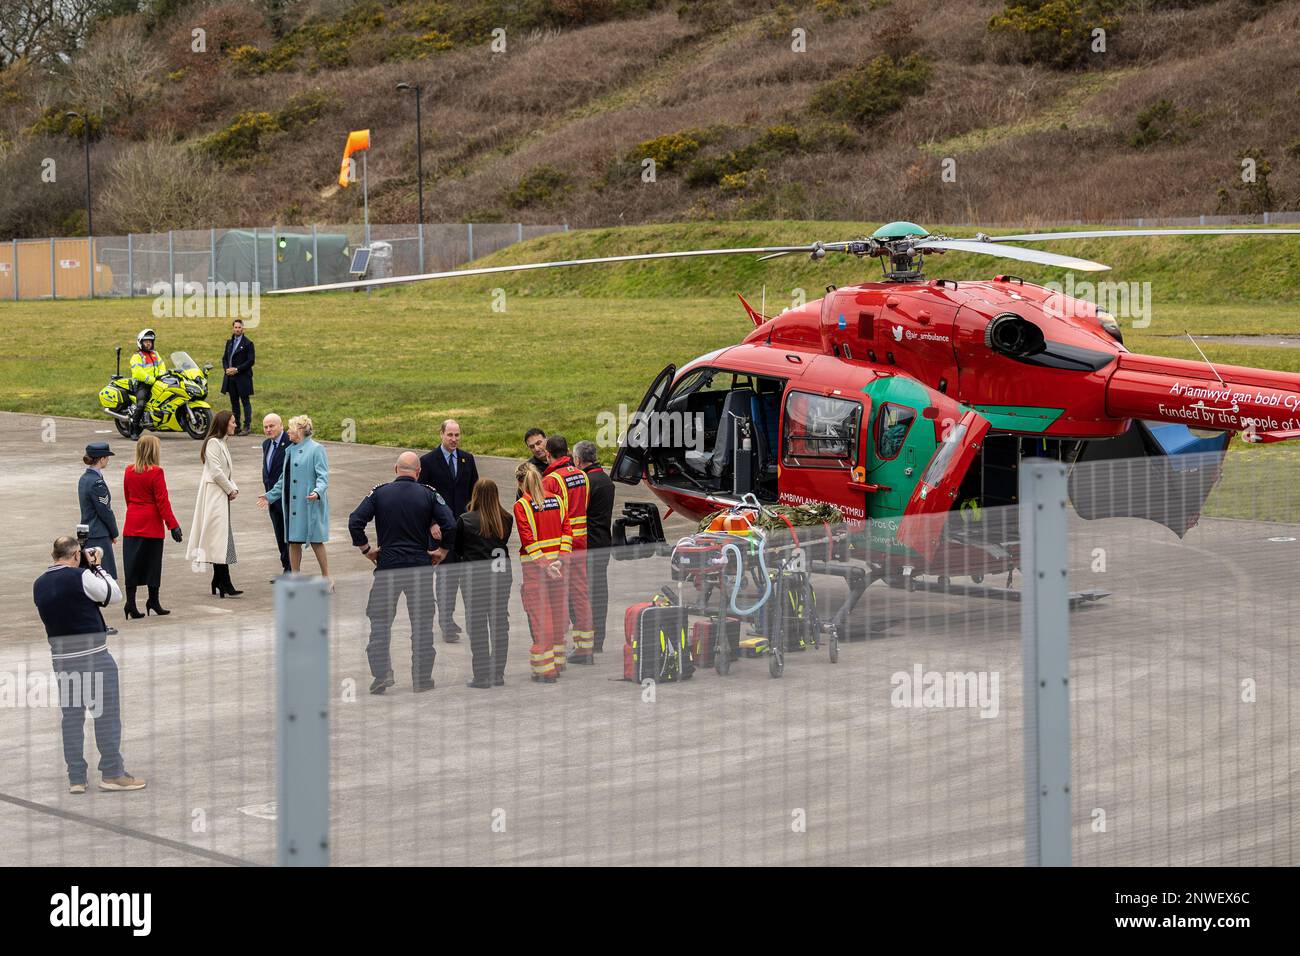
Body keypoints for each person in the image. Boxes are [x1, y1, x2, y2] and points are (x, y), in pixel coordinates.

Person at [33, 534, 146, 794]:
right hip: (94, 655)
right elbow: (113, 595)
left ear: (53, 556)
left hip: (61, 658)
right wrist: (96, 566)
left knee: (71, 718)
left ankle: (76, 778)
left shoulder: (38, 584)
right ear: (76, 556)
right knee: (106, 715)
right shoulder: (81, 576)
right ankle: (112, 772)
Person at [348, 452, 455, 695]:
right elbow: (449, 524)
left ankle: (381, 674)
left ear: (395, 468)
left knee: (380, 624)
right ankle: (421, 678)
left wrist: (367, 550)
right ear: (418, 472)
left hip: (388, 566)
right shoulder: (429, 494)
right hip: (419, 565)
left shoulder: (380, 493)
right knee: (422, 624)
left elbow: (355, 521)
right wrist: (442, 551)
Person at [419, 419, 479, 644]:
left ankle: (470, 621)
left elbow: (475, 491)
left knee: (467, 576)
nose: (454, 439)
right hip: (441, 531)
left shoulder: (467, 459)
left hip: (465, 529)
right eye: (450, 435)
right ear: (441, 434)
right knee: (447, 578)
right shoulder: (428, 462)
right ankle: (447, 622)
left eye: (457, 435)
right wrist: (431, 522)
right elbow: (422, 496)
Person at [514, 461, 570, 684]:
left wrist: (546, 565)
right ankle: (558, 660)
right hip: (559, 567)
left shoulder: (522, 505)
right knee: (558, 614)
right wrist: (560, 561)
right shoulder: (557, 500)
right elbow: (567, 531)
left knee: (541, 616)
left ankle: (545, 669)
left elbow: (529, 541)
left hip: (535, 569)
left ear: (520, 482)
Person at [259, 414, 331, 586]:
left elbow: (323, 477)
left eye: (290, 429)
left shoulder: (316, 449)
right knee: (293, 541)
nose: (288, 433)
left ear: (299, 431)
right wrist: (270, 496)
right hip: (292, 505)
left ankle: (327, 577)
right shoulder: (290, 450)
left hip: (309, 502)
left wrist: (317, 491)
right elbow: (283, 479)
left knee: (315, 540)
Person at [455, 477, 513, 689]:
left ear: (475, 495)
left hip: (475, 578)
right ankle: (498, 673)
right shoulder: (506, 518)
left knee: (477, 626)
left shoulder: (466, 520)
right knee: (499, 624)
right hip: (500, 575)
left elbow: (458, 549)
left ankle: (481, 675)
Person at [542, 435, 593, 666]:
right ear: (569, 454)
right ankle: (585, 648)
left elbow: (547, 513)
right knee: (581, 594)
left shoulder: (551, 480)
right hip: (582, 543)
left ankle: (557, 648)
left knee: (559, 596)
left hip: (562, 545)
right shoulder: (582, 475)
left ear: (547, 453)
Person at [121, 433, 181, 619]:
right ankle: (153, 600)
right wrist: (173, 525)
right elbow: (162, 502)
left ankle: (130, 603)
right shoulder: (156, 472)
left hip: (132, 521)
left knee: (132, 564)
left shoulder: (129, 470)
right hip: (151, 525)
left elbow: (127, 496)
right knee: (153, 565)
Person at [188, 409, 242, 597]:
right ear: (224, 423)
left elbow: (225, 473)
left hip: (220, 495)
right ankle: (223, 581)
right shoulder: (213, 443)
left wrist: (233, 488)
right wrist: (230, 489)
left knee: (220, 538)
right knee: (218, 538)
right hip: (214, 496)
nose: (235, 425)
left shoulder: (221, 443)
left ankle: (220, 580)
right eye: (233, 422)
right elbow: (217, 471)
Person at [574, 440, 615, 652]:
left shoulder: (585, 482)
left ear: (578, 460)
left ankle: (587, 639)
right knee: (600, 592)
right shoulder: (606, 480)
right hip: (603, 542)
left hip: (587, 544)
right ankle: (599, 638)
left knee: (584, 594)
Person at [77, 442, 119, 582]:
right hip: (99, 533)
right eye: (106, 457)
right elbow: (105, 511)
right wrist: (114, 532)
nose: (107, 460)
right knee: (103, 577)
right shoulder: (97, 483)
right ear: (101, 459)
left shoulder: (84, 478)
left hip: (88, 531)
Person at [261, 413, 292, 577]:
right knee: (279, 534)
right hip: (272, 498)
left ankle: (291, 569)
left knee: (289, 536)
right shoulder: (266, 444)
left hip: (287, 498)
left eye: (271, 426)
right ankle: (286, 567)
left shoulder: (290, 443)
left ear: (281, 425)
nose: (268, 430)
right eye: (265, 427)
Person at [127, 328, 166, 439]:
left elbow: (162, 365)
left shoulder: (155, 354)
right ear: (140, 342)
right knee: (141, 404)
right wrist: (151, 379)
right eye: (146, 341)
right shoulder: (137, 356)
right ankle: (134, 430)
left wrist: (161, 375)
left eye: (150, 341)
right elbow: (138, 372)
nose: (148, 343)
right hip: (142, 384)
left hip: (156, 382)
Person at [221, 318, 256, 436]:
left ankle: (247, 426)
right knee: (234, 402)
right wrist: (227, 369)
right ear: (233, 328)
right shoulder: (229, 342)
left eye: (239, 327)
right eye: (235, 327)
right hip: (230, 378)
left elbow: (251, 361)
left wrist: (237, 369)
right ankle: (236, 426)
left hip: (243, 378)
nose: (237, 329)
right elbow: (225, 358)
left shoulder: (248, 343)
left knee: (245, 402)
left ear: (243, 329)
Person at [518, 428, 547, 501]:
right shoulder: (528, 469)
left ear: (546, 439)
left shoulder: (560, 459)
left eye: (538, 443)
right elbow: (521, 498)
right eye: (532, 447)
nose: (536, 449)